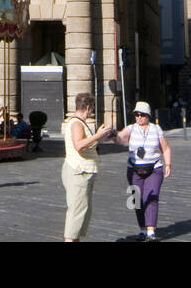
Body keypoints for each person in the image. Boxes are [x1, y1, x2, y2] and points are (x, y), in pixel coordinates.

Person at [61, 92, 114, 242]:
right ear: (88, 107)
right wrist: (97, 135)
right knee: (76, 213)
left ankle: (75, 239)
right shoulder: (76, 123)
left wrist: (102, 137)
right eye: (92, 108)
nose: (92, 111)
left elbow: (88, 144)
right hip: (78, 172)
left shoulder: (80, 122)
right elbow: (79, 145)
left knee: (83, 213)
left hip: (84, 171)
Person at [115, 101, 171, 241]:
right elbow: (120, 140)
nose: (139, 117)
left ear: (148, 115)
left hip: (154, 168)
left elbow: (166, 148)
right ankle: (142, 229)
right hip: (134, 169)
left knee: (151, 197)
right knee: (137, 200)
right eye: (136, 114)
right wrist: (113, 134)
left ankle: (151, 231)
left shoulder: (156, 129)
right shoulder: (131, 128)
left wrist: (168, 164)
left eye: (142, 115)